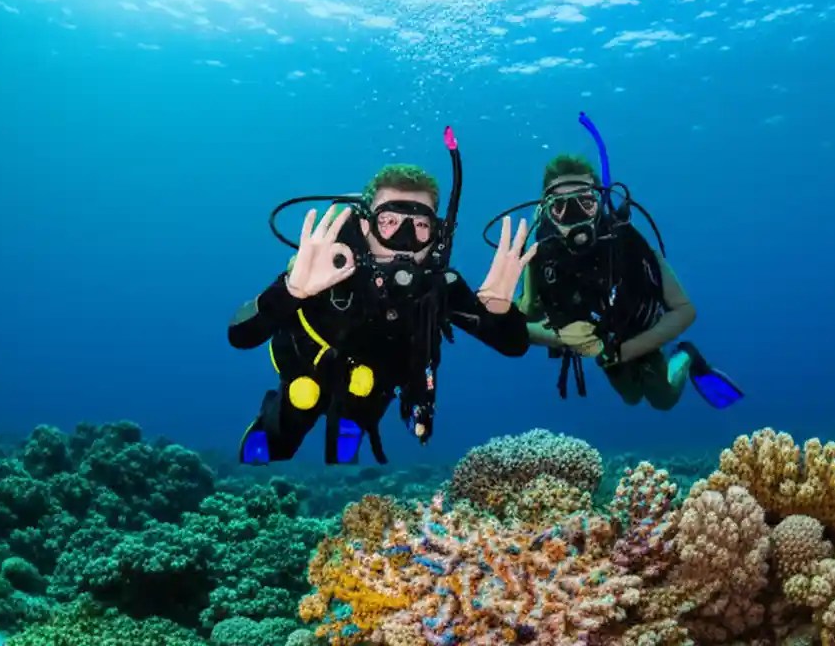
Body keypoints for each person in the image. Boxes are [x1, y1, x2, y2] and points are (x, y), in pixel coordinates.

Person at [228, 128, 536, 465]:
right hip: (306, 374)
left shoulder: (439, 285)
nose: (404, 238)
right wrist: (290, 292)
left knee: (352, 429)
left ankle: (348, 441)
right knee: (285, 427)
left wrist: (500, 311)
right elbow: (240, 335)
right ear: (365, 227)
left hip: (372, 389)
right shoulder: (326, 269)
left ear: (437, 234)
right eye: (389, 221)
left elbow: (514, 345)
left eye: (419, 225)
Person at [487, 113, 743, 411]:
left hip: (637, 332)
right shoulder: (538, 257)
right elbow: (526, 318)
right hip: (602, 345)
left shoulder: (627, 242)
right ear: (545, 212)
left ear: (600, 202)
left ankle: (686, 355)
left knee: (663, 400)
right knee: (632, 397)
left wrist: (624, 351)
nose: (574, 218)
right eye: (560, 207)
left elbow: (685, 310)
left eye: (585, 203)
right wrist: (498, 312)